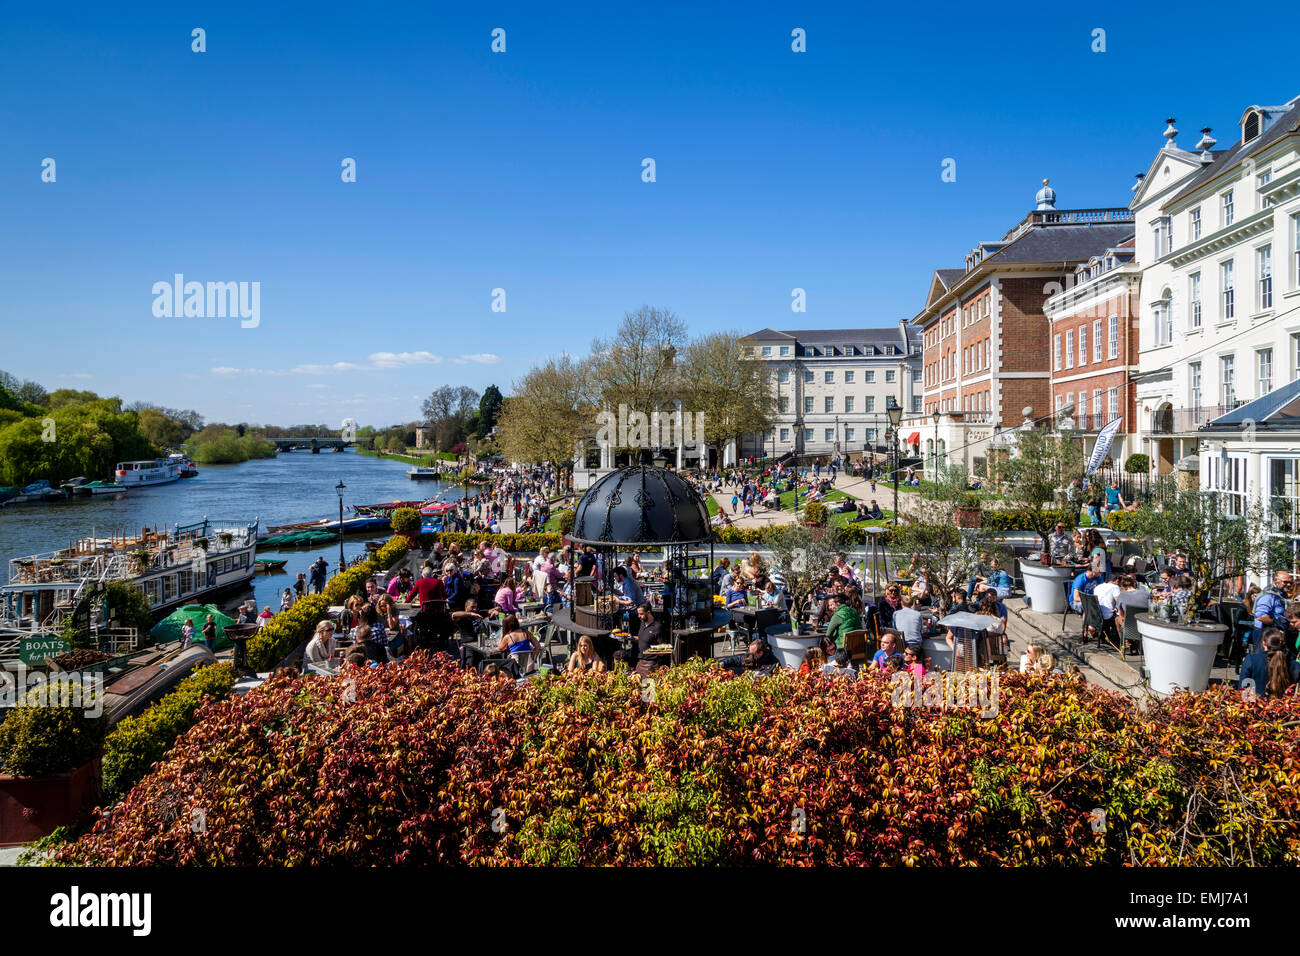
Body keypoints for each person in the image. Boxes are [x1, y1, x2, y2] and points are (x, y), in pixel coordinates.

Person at [1239, 629, 1298, 699]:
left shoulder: (1251, 659)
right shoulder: (1295, 665)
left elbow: (1243, 690)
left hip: (1255, 706)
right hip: (1283, 707)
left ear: (1264, 643)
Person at [1252, 570, 1293, 648]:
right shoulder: (1268, 596)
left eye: (1290, 583)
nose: (1288, 584)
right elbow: (1261, 617)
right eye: (1285, 582)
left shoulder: (1282, 595)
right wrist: (1281, 623)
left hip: (1278, 634)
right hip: (1266, 635)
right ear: (1275, 582)